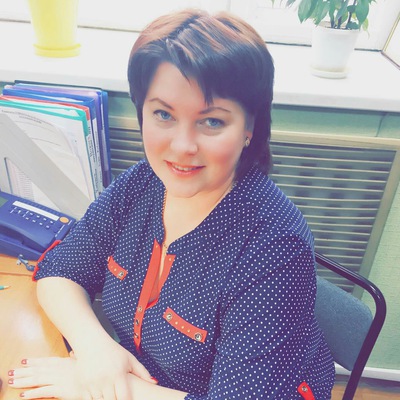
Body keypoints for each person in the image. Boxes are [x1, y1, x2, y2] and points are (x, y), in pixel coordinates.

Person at [8, 8, 335, 400]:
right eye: (163, 114)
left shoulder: (275, 248)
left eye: (212, 121)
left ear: (250, 126)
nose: (182, 147)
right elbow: (60, 270)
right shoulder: (142, 183)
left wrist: (108, 386)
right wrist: (96, 351)